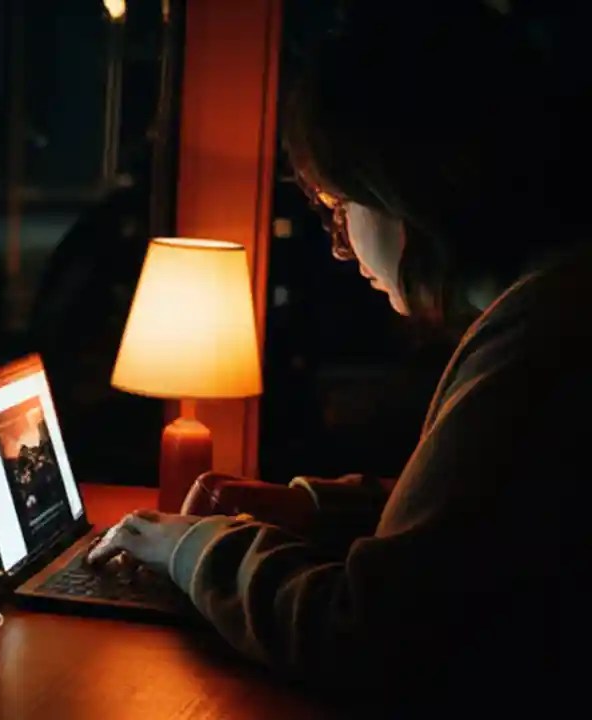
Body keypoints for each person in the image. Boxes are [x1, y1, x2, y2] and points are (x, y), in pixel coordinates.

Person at [89, 0, 592, 712]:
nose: (338, 241)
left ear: (404, 182)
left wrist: (191, 550)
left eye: (337, 204)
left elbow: (361, 632)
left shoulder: (541, 338)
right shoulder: (551, 303)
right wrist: (308, 508)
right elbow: (467, 534)